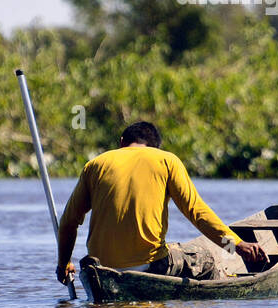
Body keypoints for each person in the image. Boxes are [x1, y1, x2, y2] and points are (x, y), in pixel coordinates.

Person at [56, 121, 267, 283]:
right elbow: (197, 213)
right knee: (206, 258)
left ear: (122, 142)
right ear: (156, 147)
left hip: (100, 267)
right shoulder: (166, 160)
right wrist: (236, 246)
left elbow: (67, 222)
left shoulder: (96, 164)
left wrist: (63, 263)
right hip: (150, 266)